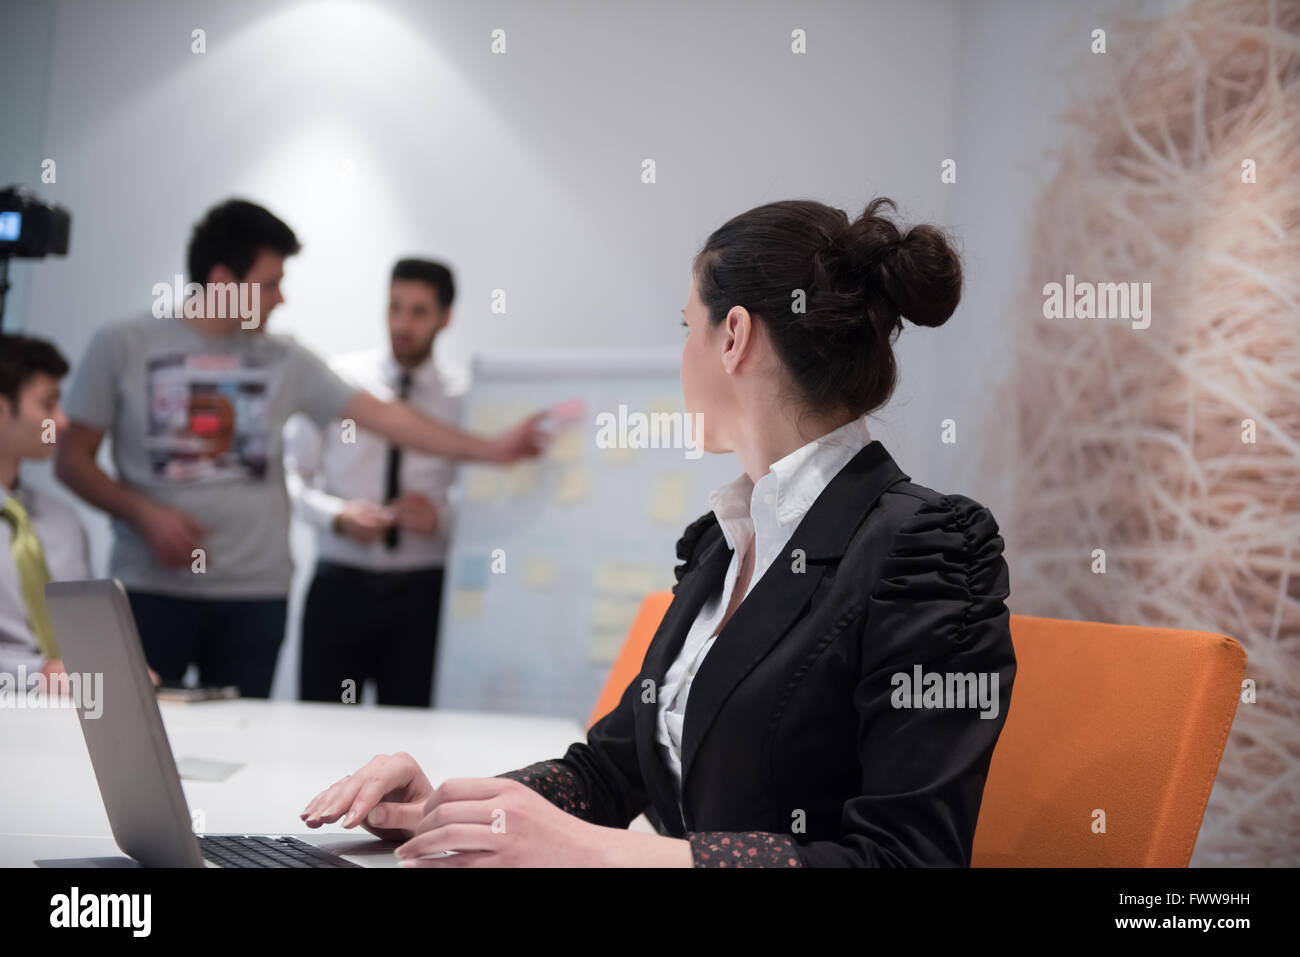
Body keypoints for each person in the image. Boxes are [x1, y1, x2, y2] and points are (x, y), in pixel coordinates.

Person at [299, 197, 1018, 867]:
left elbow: (904, 859)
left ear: (733, 335)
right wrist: (450, 808)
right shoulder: (721, 544)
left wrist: (600, 852)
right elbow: (611, 771)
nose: (683, 353)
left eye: (687, 327)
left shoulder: (928, 551)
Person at [55, 199, 545, 698]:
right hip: (151, 591)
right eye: (270, 284)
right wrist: (144, 514)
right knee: (140, 744)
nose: (280, 299)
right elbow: (70, 461)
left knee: (241, 747)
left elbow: (388, 418)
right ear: (224, 281)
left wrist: (494, 450)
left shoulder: (285, 359)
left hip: (256, 598)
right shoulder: (122, 345)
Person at [285, 258, 465, 707]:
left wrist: (442, 518)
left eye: (419, 311)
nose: (402, 323)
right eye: (394, 308)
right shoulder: (339, 382)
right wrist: (337, 516)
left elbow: (486, 497)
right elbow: (289, 475)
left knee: (411, 735)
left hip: (422, 593)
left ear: (445, 317)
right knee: (321, 726)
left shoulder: (464, 396)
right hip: (338, 588)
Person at [0, 334, 159, 692]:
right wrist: (39, 676)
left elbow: (86, 634)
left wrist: (119, 668)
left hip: (76, 717)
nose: (63, 421)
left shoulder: (63, 522)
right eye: (48, 405)